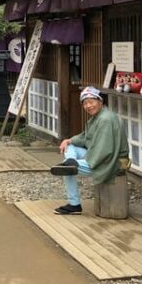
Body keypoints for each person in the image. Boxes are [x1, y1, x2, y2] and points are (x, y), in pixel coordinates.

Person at [50, 86, 130, 215]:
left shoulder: (105, 119)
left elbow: (104, 150)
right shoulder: (100, 115)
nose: (88, 106)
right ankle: (70, 162)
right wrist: (69, 140)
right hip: (99, 155)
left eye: (91, 102)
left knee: (67, 169)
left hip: (111, 162)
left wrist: (88, 161)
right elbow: (85, 136)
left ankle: (74, 204)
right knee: (70, 148)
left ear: (100, 101)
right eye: (85, 103)